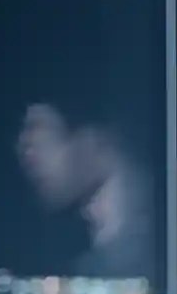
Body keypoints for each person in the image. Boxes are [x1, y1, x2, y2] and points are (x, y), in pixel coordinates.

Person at [16, 103, 159, 284]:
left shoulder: (156, 246)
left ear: (92, 141)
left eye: (41, 131)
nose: (26, 154)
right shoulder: (98, 254)